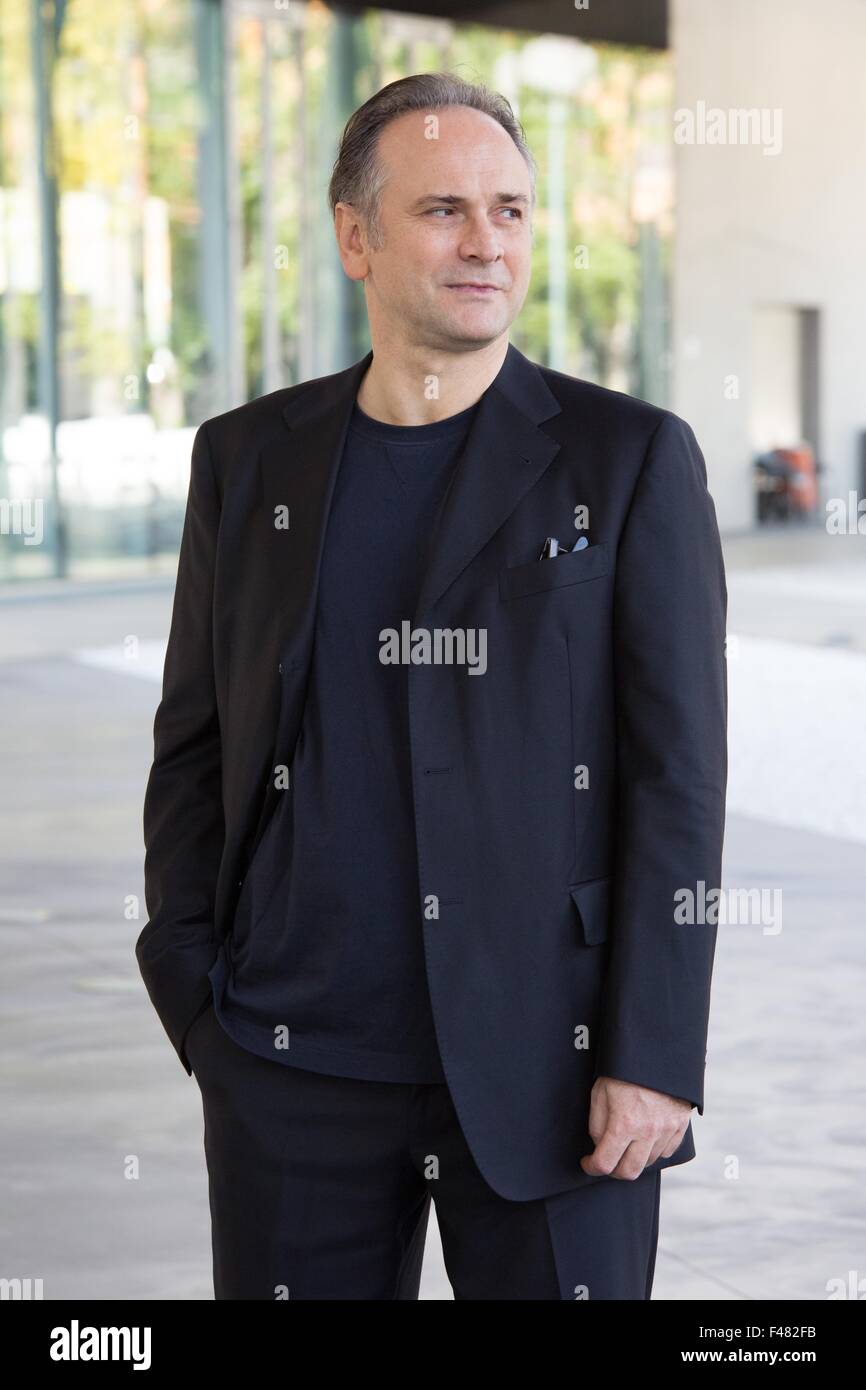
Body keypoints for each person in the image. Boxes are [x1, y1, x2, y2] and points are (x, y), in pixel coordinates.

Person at [136, 72, 727, 1300]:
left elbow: (677, 780)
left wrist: (654, 1052)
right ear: (354, 236)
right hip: (291, 1066)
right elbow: (194, 740)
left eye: (510, 210)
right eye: (444, 209)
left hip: (557, 1076)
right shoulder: (248, 460)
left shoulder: (626, 461)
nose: (485, 242)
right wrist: (197, 991)